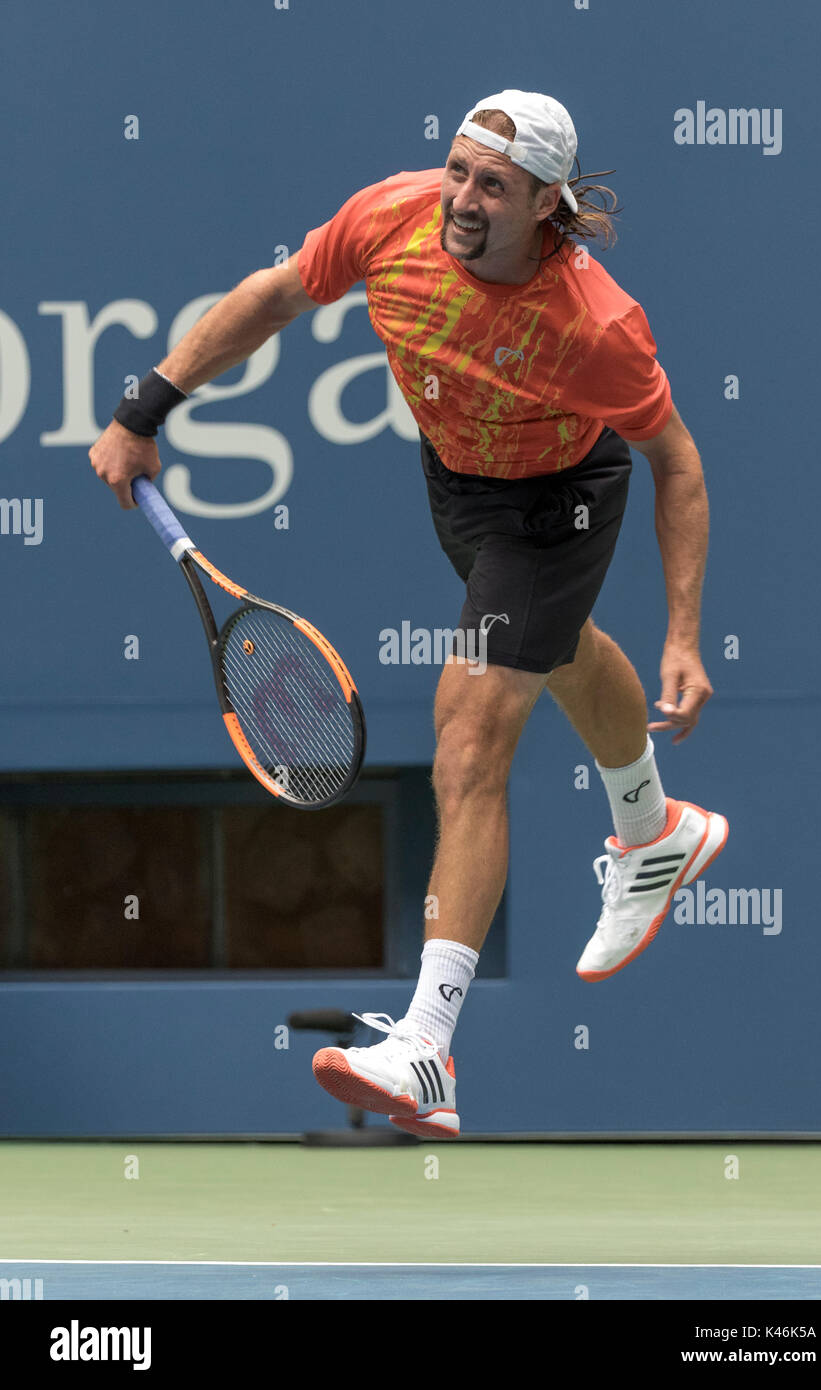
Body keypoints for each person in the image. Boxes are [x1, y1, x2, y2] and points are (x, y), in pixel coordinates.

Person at [90, 89, 728, 1141]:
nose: (463, 198)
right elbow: (274, 296)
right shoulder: (392, 217)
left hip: (558, 502)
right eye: (458, 171)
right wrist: (144, 406)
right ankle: (653, 828)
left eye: (493, 186)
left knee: (467, 735)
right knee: (558, 653)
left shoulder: (592, 323)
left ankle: (427, 1049)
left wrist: (683, 634)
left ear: (546, 206)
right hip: (460, 483)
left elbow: (677, 463)